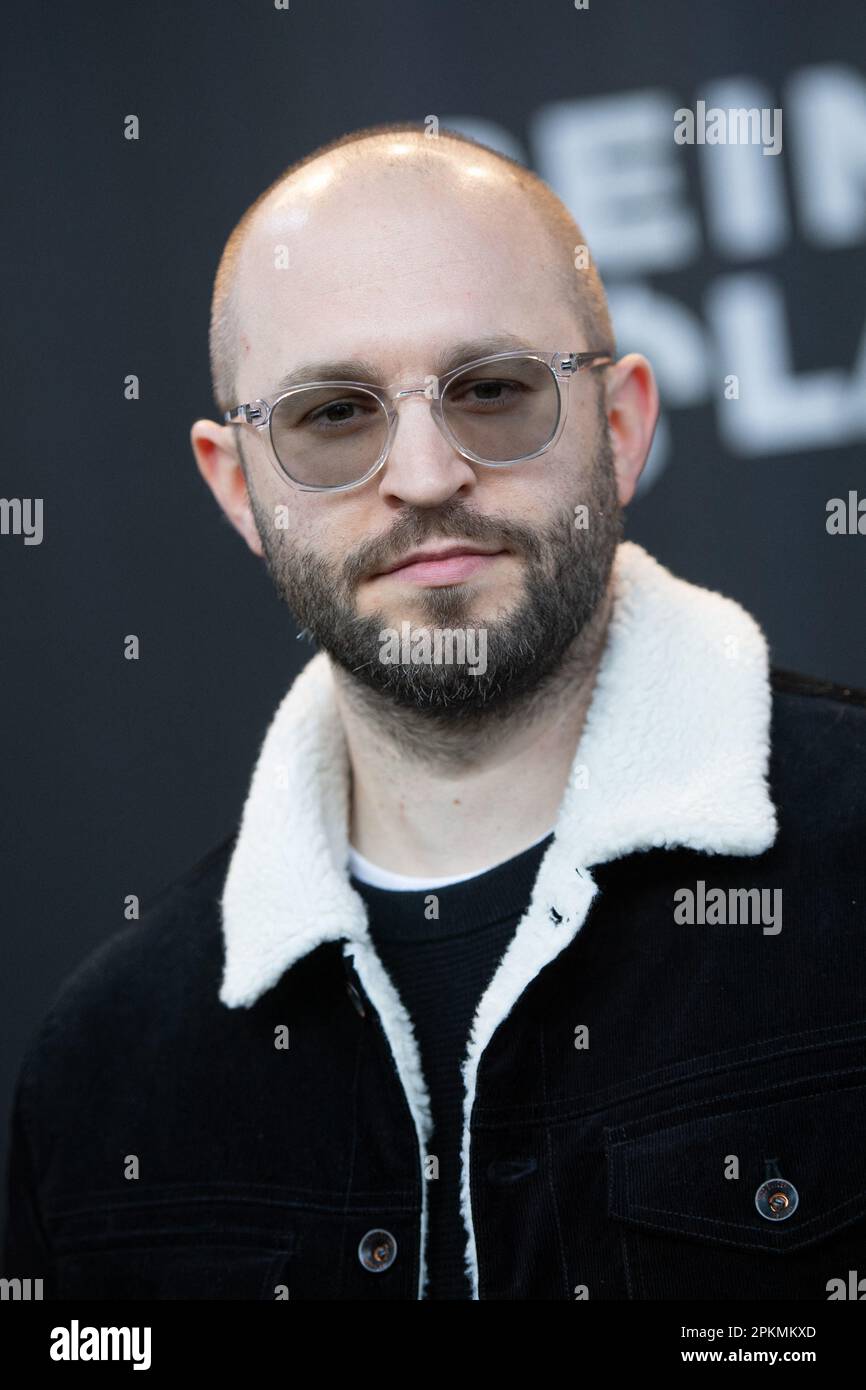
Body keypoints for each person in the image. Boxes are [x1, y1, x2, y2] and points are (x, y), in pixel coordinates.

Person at [4, 122, 865, 1302]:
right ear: (235, 486)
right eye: (333, 415)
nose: (422, 473)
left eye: (494, 391)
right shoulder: (100, 1075)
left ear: (618, 428)